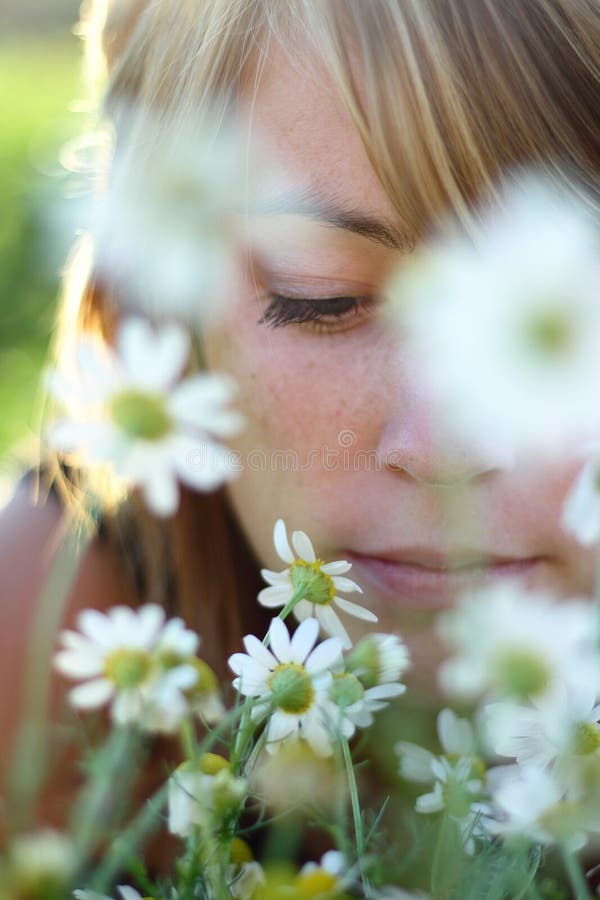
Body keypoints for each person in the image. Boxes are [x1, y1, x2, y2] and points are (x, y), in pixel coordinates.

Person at [0, 0, 598, 871]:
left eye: (565, 318)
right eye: (325, 295)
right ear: (159, 297)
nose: (442, 447)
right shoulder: (43, 659)